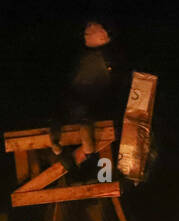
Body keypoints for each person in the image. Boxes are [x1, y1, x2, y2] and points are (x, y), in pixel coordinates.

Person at [50, 20, 128, 165]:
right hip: (80, 113)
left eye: (94, 26)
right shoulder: (88, 56)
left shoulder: (106, 57)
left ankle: (78, 156)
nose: (88, 28)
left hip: (90, 113)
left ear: (105, 35)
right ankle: (76, 155)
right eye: (88, 26)